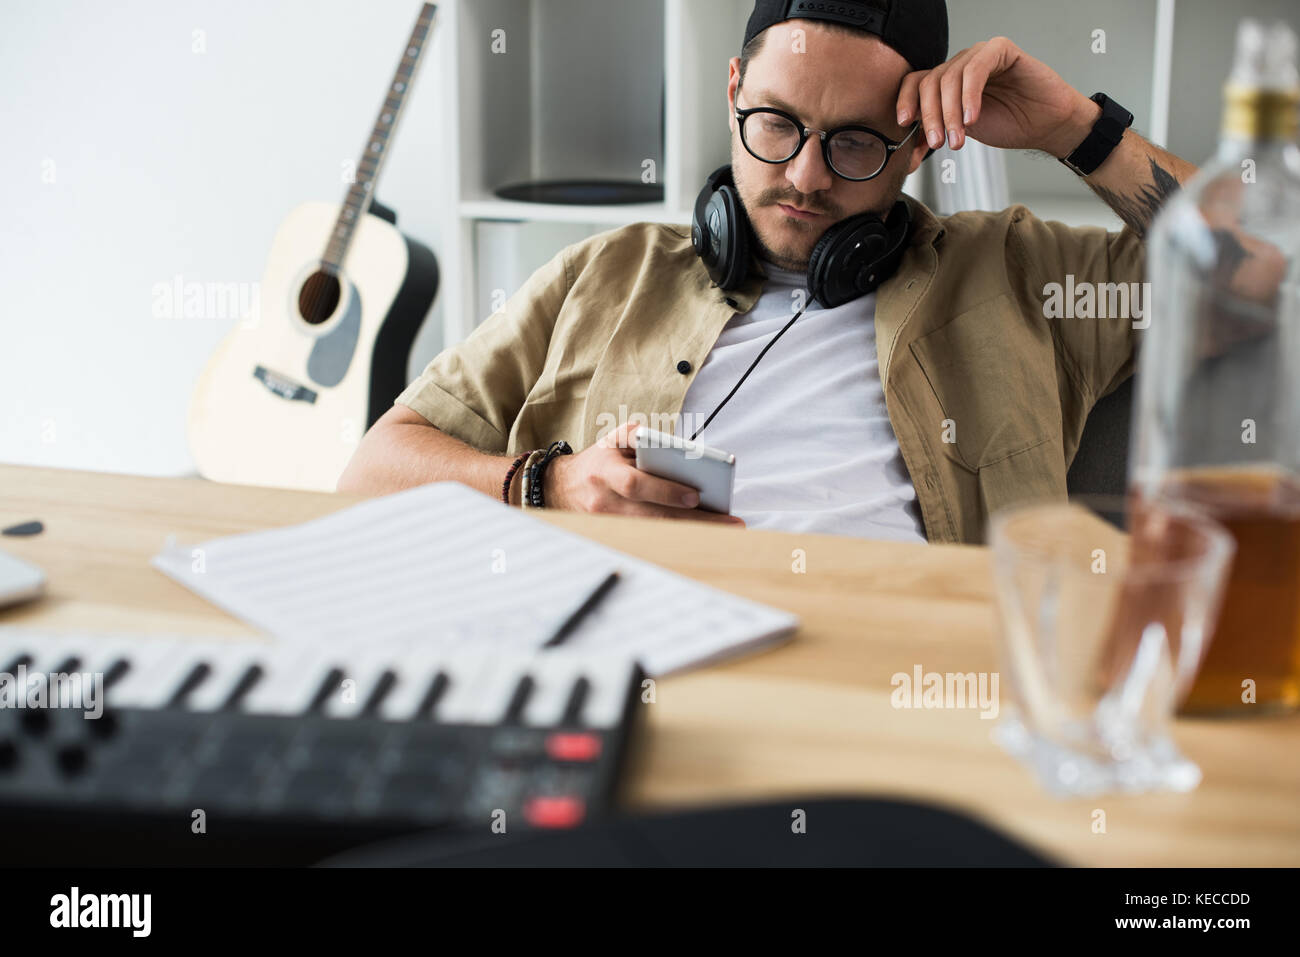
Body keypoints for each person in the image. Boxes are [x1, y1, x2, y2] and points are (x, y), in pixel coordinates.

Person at [338, 0, 1201, 545]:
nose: (805, 176)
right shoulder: (608, 271)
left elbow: (1256, 272)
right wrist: (546, 481)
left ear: (919, 147)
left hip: (907, 686)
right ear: (732, 91)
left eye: (857, 141)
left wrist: (1074, 129)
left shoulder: (1024, 272)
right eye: (776, 123)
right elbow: (372, 469)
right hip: (636, 658)